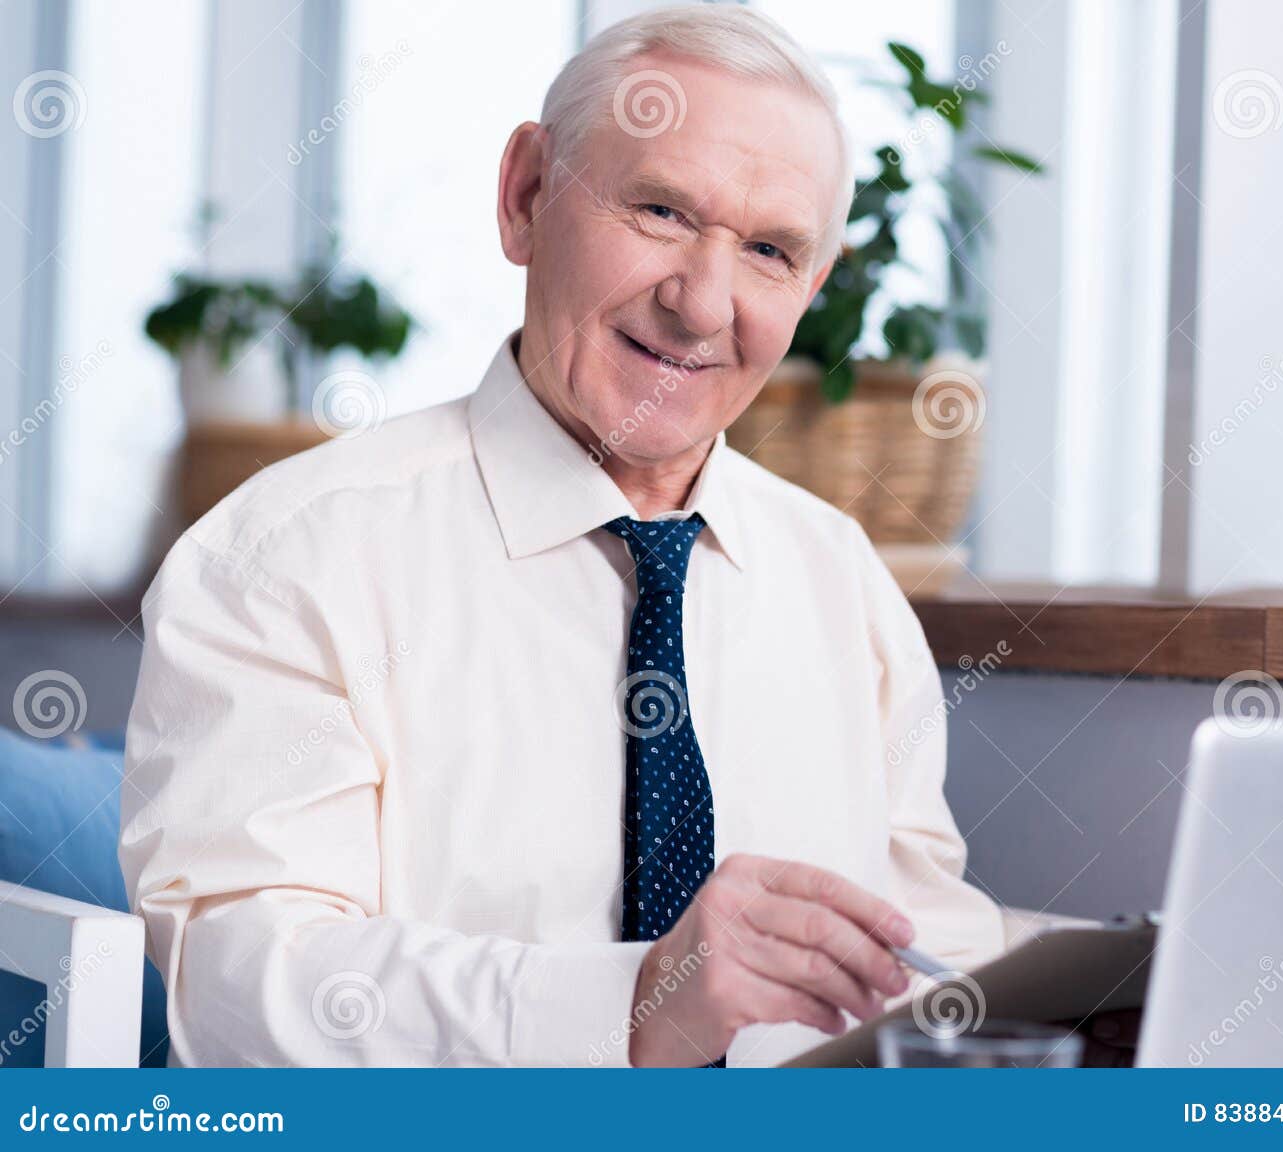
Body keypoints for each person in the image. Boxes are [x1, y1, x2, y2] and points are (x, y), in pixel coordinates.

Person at [120, 4, 1004, 1068]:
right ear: (526, 197)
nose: (703, 304)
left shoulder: (841, 582)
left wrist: (1072, 1012)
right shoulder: (283, 559)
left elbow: (921, 945)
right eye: (662, 211)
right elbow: (242, 988)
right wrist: (633, 1010)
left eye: (770, 250)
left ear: (810, 288)